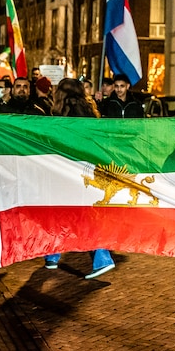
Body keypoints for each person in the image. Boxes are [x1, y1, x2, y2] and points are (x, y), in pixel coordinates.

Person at [41, 79, 113, 278]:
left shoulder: (60, 118)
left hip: (65, 170)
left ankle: (101, 256)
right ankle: (53, 255)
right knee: (78, 212)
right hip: (86, 169)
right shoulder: (90, 115)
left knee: (64, 212)